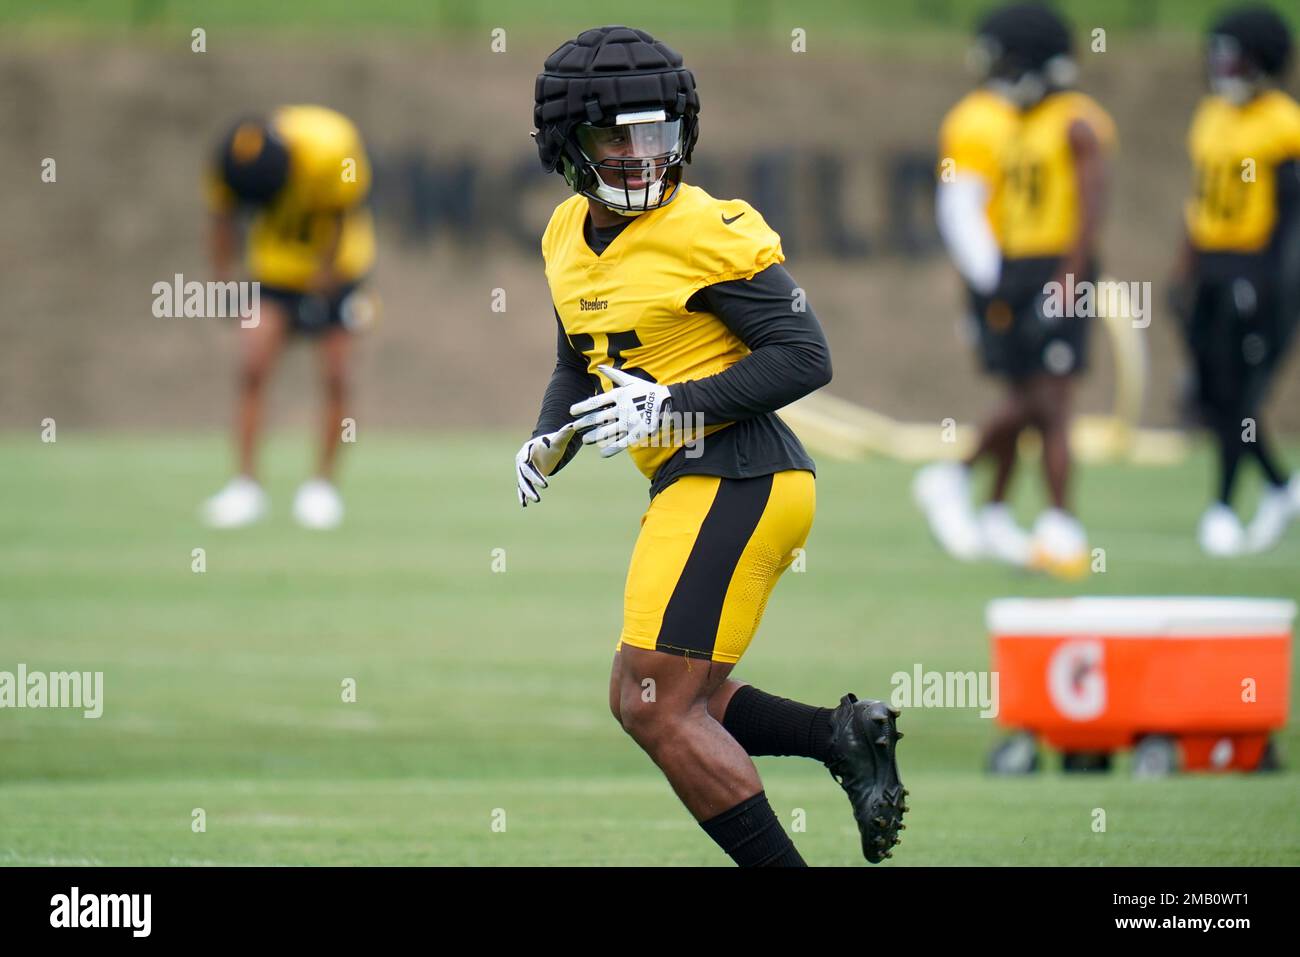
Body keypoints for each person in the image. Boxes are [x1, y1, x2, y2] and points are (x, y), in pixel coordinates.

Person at [515, 25, 907, 866]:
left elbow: (807, 356)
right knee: (641, 695)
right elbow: (577, 364)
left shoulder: (709, 229)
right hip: (697, 481)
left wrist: (673, 407)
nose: (638, 154)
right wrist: (549, 439)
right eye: (614, 136)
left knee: (657, 702)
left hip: (744, 473)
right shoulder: (561, 237)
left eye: (654, 132)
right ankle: (842, 736)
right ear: (567, 145)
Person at [916, 2, 1114, 579]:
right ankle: (1006, 505)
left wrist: (1069, 278)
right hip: (1017, 269)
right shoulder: (1014, 122)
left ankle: (999, 499)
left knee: (1048, 395)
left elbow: (1089, 211)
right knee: (1041, 394)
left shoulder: (1076, 119)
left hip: (1055, 268)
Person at [200, 105, 377, 530]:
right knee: (252, 367)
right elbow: (222, 221)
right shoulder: (229, 161)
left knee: (336, 374)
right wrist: (224, 281)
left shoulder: (333, 145)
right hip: (273, 271)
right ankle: (246, 487)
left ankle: (321, 489)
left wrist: (326, 279)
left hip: (338, 270)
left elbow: (340, 216)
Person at [1172, 4, 1300, 556]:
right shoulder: (1210, 116)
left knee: (1239, 397)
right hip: (1212, 268)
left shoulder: (1282, 124)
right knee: (1213, 397)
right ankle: (1279, 487)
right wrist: (1185, 269)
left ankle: (1224, 505)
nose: (1222, 65)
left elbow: (1290, 218)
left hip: (1258, 271)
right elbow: (1198, 204)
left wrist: (1271, 283)